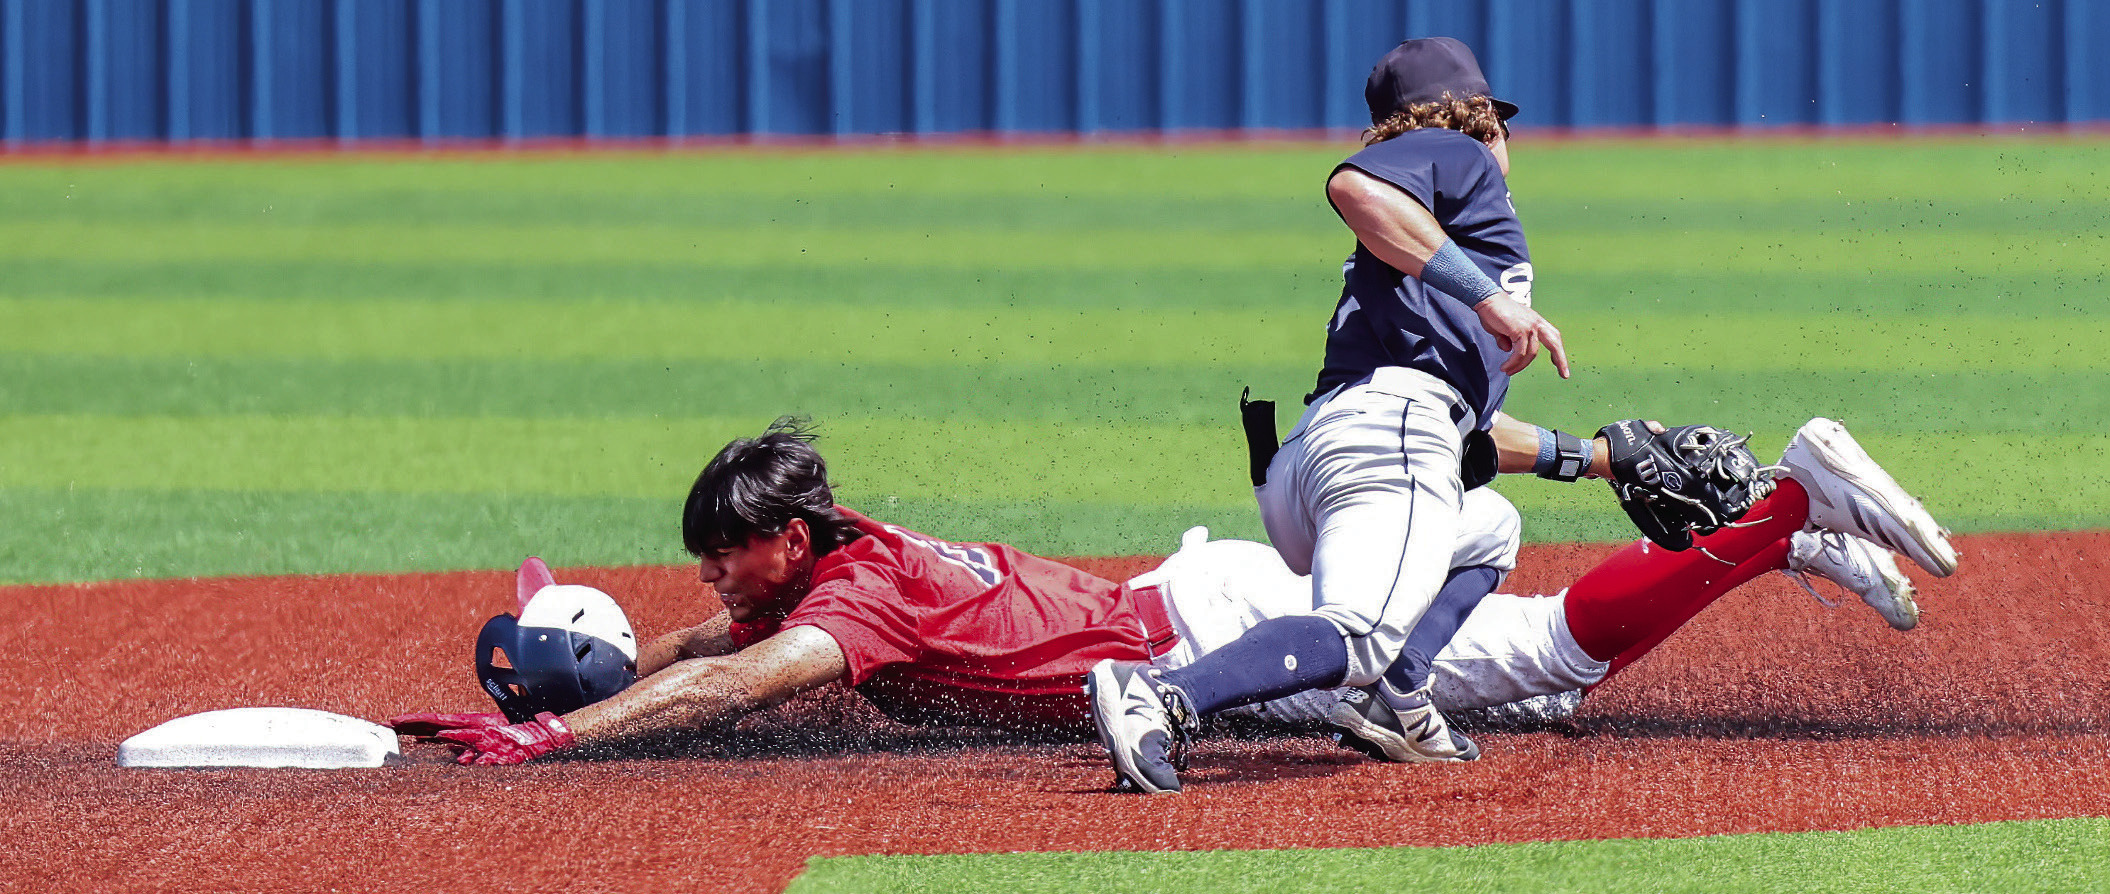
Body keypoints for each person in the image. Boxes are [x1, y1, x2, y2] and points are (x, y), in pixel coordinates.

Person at [399, 416, 1957, 773]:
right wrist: (606, 663)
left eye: (720, 555)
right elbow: (717, 637)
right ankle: (1769, 536)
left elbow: (743, 675)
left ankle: (1782, 507)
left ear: (788, 544)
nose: (709, 579)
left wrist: (557, 734)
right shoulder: (843, 548)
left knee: (1554, 656)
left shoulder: (854, 603)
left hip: (1218, 633)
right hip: (1203, 585)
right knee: (1497, 613)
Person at [1086, 35, 1568, 792]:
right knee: (1361, 633)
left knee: (1490, 528)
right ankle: (1163, 696)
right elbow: (1353, 187)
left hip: (1329, 457)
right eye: (1496, 117)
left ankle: (1397, 699)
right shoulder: (1457, 154)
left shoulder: (1437, 222)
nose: (1505, 134)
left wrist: (1585, 457)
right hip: (1388, 437)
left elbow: (1469, 435)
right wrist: (1489, 297)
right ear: (1470, 117)